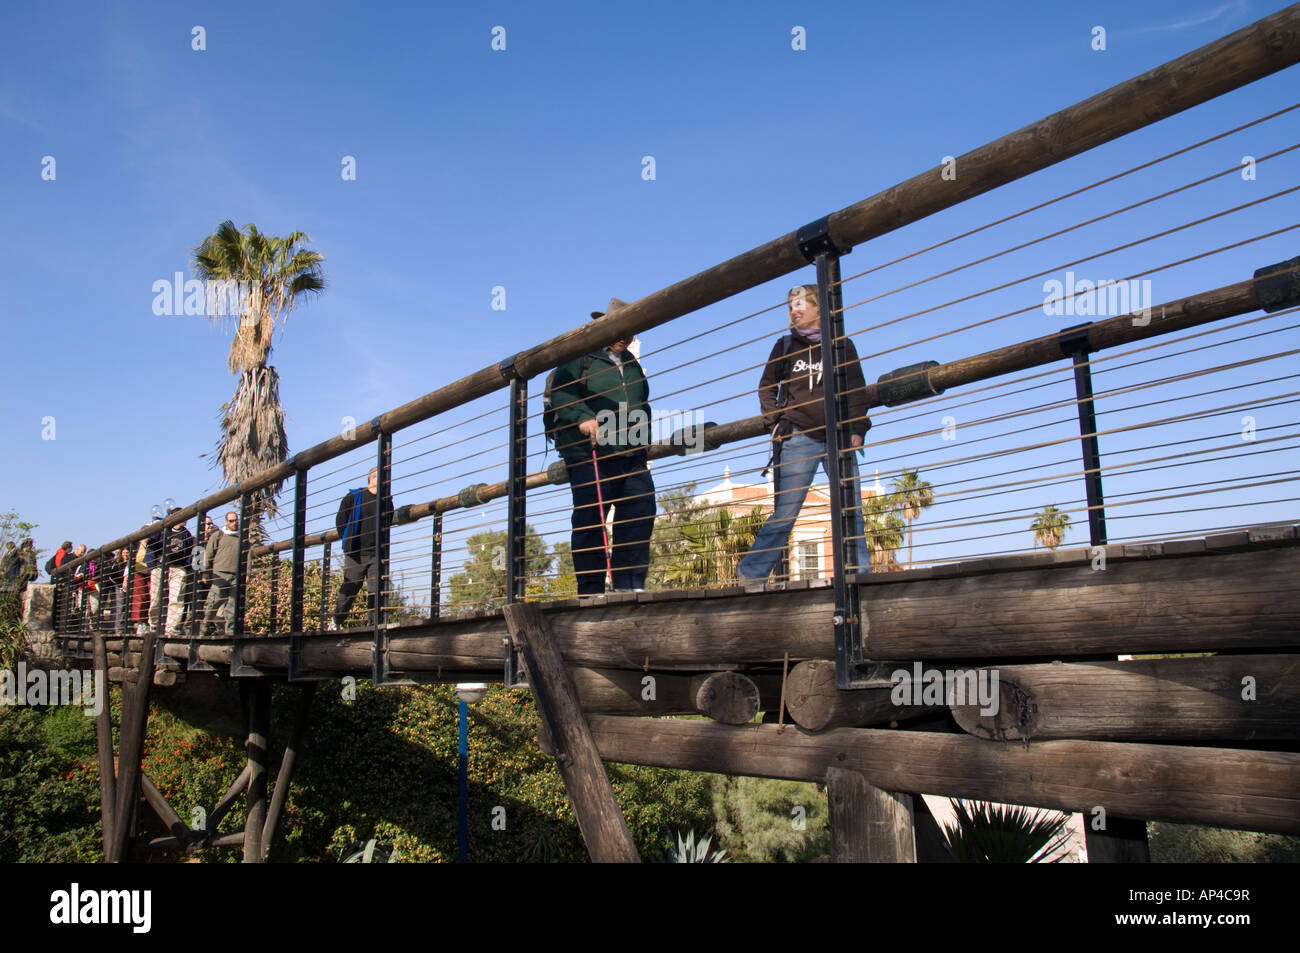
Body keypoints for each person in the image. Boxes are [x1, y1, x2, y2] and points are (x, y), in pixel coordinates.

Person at [737, 284, 870, 582]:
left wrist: (858, 428)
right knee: (786, 512)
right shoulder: (784, 345)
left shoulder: (842, 346)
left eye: (800, 304)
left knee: (852, 509)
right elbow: (766, 387)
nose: (794, 310)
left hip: (838, 437)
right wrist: (774, 421)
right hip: (798, 437)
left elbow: (857, 391)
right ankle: (750, 574)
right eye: (790, 306)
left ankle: (861, 575)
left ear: (819, 306)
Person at [548, 299, 657, 595]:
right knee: (590, 519)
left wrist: (644, 433)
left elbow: (642, 403)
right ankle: (591, 591)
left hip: (631, 452)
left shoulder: (633, 365)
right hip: (589, 452)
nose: (626, 336)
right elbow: (561, 393)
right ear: (604, 326)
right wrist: (584, 419)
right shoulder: (579, 356)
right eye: (621, 329)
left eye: (631, 331)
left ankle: (629, 587)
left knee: (641, 509)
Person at [333, 467, 394, 629]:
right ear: (372, 479)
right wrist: (347, 540)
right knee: (350, 588)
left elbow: (388, 520)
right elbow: (341, 520)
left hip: (377, 553)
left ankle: (375, 625)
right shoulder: (353, 497)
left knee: (377, 590)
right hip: (356, 553)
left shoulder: (386, 501)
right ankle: (336, 620)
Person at [202, 511, 240, 636]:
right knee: (214, 601)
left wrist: (248, 574)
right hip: (220, 573)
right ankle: (206, 625)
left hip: (236, 575)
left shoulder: (242, 538)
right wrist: (206, 572)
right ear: (226, 522)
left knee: (233, 606)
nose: (234, 523)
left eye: (236, 520)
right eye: (231, 521)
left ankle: (230, 632)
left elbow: (248, 556)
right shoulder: (218, 535)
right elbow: (208, 554)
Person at [160, 509, 194, 636]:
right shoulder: (164, 531)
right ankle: (154, 626)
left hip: (179, 568)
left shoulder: (187, 534)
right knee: (158, 598)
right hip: (162, 567)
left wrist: (187, 568)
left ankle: (171, 628)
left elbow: (190, 552)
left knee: (177, 598)